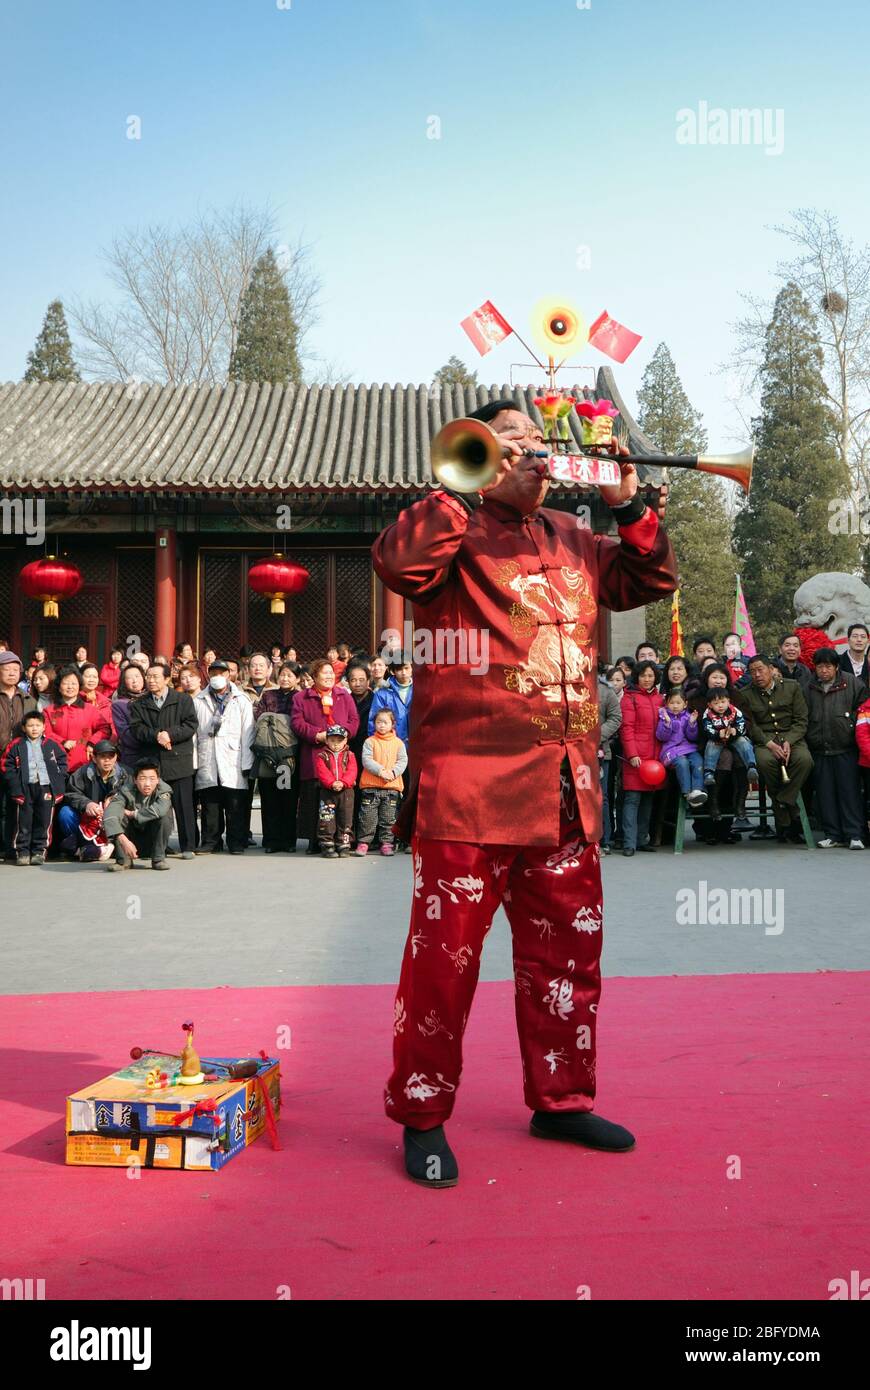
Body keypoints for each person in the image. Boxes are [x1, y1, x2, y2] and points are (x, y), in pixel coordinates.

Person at [372, 397, 677, 1185]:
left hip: (566, 794)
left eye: (541, 443)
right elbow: (396, 566)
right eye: (513, 441)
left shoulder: (576, 540)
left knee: (569, 962)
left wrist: (627, 499)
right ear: (474, 453)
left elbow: (651, 575)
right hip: (469, 795)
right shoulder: (451, 533)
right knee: (444, 967)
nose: (534, 454)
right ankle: (423, 1113)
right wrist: (461, 484)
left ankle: (561, 1101)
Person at [737, 655, 813, 842]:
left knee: (804, 760)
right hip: (765, 740)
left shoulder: (791, 686)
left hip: (791, 737)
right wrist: (768, 743)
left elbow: (801, 720)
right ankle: (789, 811)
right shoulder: (745, 693)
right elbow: (751, 725)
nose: (757, 674)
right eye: (752, 671)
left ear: (771, 669)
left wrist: (789, 741)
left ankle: (781, 802)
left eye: (760, 669)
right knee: (764, 762)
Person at [128, 662, 198, 859]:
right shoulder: (139, 704)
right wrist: (157, 734)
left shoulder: (182, 700)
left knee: (184, 806)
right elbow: (136, 729)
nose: (151, 680)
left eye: (155, 676)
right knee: (153, 806)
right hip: (153, 762)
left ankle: (188, 845)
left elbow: (191, 724)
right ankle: (157, 846)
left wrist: (170, 735)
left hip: (178, 759)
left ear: (167, 679)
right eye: (148, 676)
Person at [291, 658, 359, 855]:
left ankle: (341, 840)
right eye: (324, 672)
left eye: (331, 672)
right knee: (314, 801)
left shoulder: (343, 695)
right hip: (315, 755)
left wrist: (342, 733)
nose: (329, 676)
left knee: (340, 803)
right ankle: (315, 841)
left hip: (340, 756)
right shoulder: (302, 697)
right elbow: (297, 723)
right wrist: (317, 735)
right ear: (314, 676)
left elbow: (354, 720)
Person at [804, 648, 866, 849]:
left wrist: (849, 723)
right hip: (819, 748)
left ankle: (855, 833)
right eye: (820, 666)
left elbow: (864, 708)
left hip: (846, 747)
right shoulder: (808, 686)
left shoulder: (852, 683)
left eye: (828, 666)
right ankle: (832, 833)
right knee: (826, 793)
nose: (823, 671)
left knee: (850, 793)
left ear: (836, 666)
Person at [193, 660, 255, 854]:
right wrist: (194, 762)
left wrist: (247, 762)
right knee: (210, 804)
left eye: (222, 672)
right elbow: (194, 733)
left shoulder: (241, 699)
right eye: (214, 673)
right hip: (208, 756)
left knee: (234, 803)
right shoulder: (199, 700)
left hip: (233, 758)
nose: (217, 676)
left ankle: (236, 841)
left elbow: (248, 732)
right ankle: (211, 841)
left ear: (229, 675)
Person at [1, 710, 67, 865]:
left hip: (45, 788)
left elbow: (63, 763)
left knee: (44, 821)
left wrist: (58, 781)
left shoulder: (52, 744)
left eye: (38, 725)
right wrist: (15, 786)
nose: (34, 729)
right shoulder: (16, 745)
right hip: (24, 789)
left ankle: (39, 851)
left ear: (44, 727)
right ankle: (22, 852)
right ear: (24, 728)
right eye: (30, 725)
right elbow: (6, 766)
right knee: (23, 821)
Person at [59, 739, 131, 861]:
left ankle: (109, 846)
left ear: (116, 757)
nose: (107, 760)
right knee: (65, 813)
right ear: (94, 758)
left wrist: (116, 801)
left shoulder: (126, 773)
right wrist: (87, 804)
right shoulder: (82, 773)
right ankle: (83, 845)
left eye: (111, 756)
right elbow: (71, 793)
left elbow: (132, 797)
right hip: (88, 818)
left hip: (113, 816)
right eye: (103, 757)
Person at [253, 667, 300, 853]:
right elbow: (258, 717)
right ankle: (271, 840)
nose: (285, 678)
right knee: (269, 797)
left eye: (290, 675)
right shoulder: (268, 695)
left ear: (297, 678)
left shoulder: (299, 697)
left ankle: (288, 840)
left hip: (288, 756)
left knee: (287, 798)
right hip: (268, 754)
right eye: (282, 675)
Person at [620, 660, 664, 855]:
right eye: (643, 675)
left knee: (648, 799)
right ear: (636, 677)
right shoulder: (629, 698)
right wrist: (632, 754)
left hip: (655, 757)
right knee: (632, 799)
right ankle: (628, 842)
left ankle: (641, 839)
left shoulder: (660, 698)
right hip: (636, 757)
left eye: (651, 675)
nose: (647, 679)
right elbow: (626, 728)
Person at [103, 759, 173, 870]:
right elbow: (110, 814)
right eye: (143, 778)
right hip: (129, 841)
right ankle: (123, 861)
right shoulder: (125, 790)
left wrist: (133, 814)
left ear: (158, 780)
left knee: (164, 817)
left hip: (153, 840)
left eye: (152, 778)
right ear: (135, 780)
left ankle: (158, 859)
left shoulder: (164, 790)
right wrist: (123, 839)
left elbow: (160, 810)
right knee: (120, 814)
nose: (147, 784)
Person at [356, 708, 407, 856]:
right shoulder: (369, 742)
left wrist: (392, 772)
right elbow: (366, 759)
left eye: (385, 722)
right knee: (367, 817)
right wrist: (380, 771)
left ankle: (387, 843)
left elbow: (403, 760)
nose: (382, 725)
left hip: (391, 786)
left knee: (388, 818)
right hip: (371, 786)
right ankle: (364, 843)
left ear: (393, 724)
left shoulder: (399, 743)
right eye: (378, 722)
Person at [43, 666, 105, 773]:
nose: (70, 687)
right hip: (55, 763)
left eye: (74, 683)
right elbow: (45, 732)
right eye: (66, 683)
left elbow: (104, 729)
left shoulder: (90, 710)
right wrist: (62, 742)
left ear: (79, 686)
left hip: (85, 765)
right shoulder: (49, 711)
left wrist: (92, 743)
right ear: (59, 687)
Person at [313, 723, 357, 857]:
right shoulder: (322, 756)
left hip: (346, 792)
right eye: (332, 740)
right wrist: (332, 783)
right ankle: (327, 844)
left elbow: (352, 770)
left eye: (339, 740)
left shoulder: (350, 755)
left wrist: (343, 783)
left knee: (346, 819)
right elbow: (322, 772)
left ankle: (343, 844)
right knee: (327, 818)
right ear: (326, 740)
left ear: (345, 740)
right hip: (328, 792)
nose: (336, 744)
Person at [657, 688, 706, 808]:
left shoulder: (688, 716)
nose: (675, 706)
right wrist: (667, 724)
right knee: (682, 763)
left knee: (698, 761)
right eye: (672, 703)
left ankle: (697, 790)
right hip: (671, 750)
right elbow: (661, 737)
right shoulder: (664, 717)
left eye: (678, 703)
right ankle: (687, 792)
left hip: (688, 748)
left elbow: (692, 737)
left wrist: (692, 724)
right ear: (666, 704)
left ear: (685, 704)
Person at [701, 689, 759, 788]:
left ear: (728, 701)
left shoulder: (735, 711)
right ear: (710, 705)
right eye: (716, 703)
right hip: (717, 739)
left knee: (744, 743)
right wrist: (717, 734)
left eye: (723, 702)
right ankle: (709, 773)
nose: (720, 705)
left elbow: (742, 724)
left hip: (733, 738)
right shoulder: (707, 714)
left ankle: (751, 767)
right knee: (710, 746)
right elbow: (707, 728)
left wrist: (735, 731)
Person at [597, 669, 622, 852]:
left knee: (602, 796)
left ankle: (604, 839)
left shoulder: (606, 691)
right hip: (571, 751)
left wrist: (596, 736)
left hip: (599, 751)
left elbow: (615, 718)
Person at [111, 663, 146, 769]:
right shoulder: (119, 704)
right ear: (124, 682)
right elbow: (125, 734)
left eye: (137, 676)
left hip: (155, 756)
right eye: (129, 678)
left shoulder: (152, 699)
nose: (134, 680)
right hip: (134, 756)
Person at [78, 664, 116, 740]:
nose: (92, 680)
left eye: (95, 677)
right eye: (88, 676)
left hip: (102, 744)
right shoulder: (74, 700)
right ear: (80, 678)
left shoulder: (106, 702)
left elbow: (111, 726)